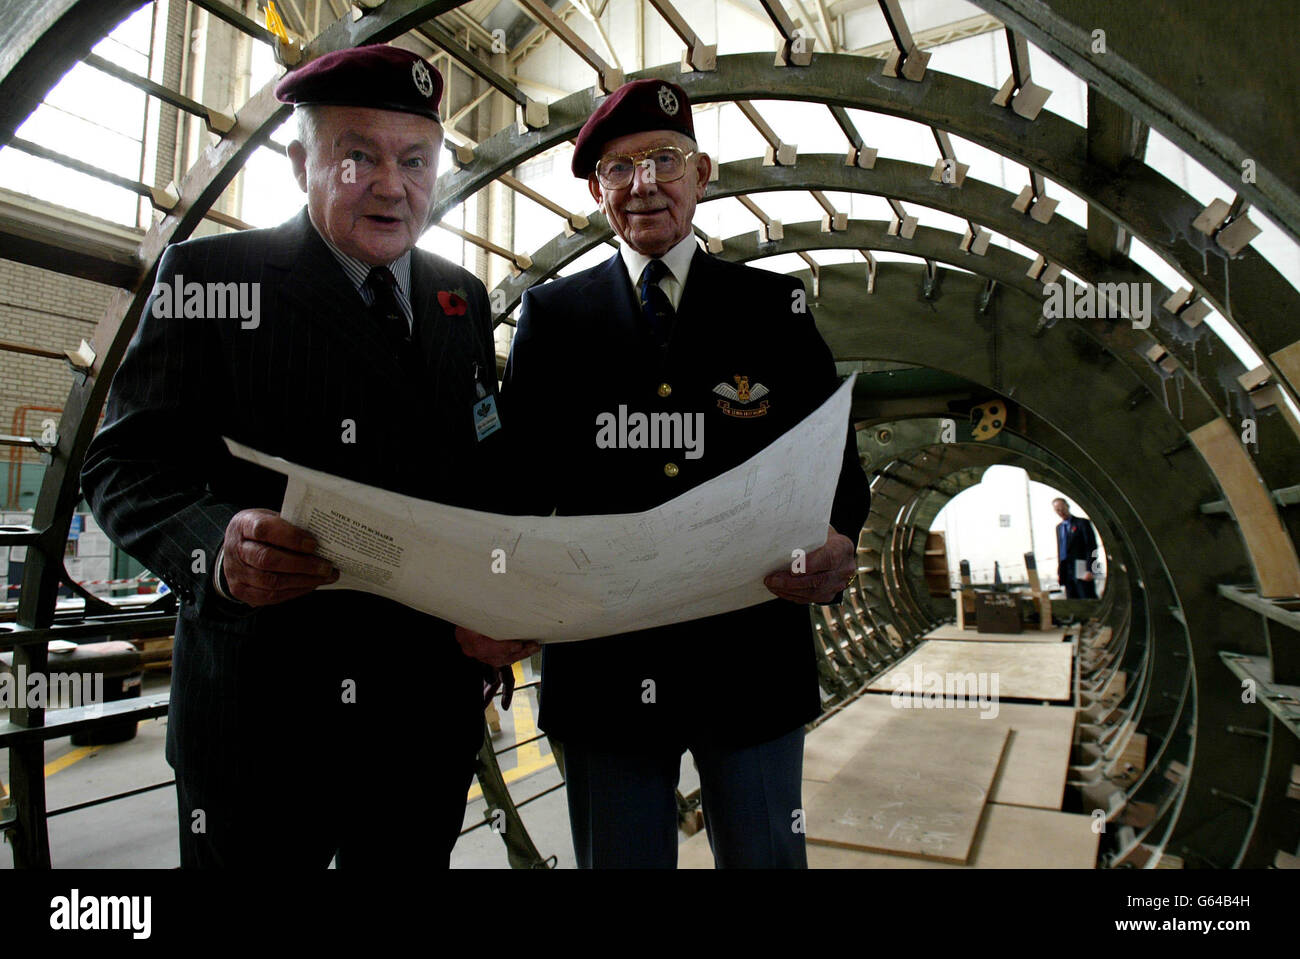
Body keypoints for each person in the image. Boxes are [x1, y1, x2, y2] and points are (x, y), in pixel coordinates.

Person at [81, 44, 536, 868]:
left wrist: (504, 593)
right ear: (301, 162)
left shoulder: (458, 297)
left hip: (421, 724)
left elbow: (484, 475)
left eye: (415, 160)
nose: (391, 185)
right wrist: (218, 549)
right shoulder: (213, 279)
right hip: (261, 724)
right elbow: (123, 466)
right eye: (357, 155)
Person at [493, 79, 869, 868]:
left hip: (752, 655)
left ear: (703, 175)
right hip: (604, 662)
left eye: (665, 160)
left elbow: (835, 455)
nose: (644, 185)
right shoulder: (553, 318)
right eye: (619, 168)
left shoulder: (774, 308)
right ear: (599, 193)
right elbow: (518, 483)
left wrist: (841, 537)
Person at [1053, 496, 1099, 599]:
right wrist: (1060, 572)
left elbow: (1092, 547)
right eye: (1057, 510)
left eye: (1062, 508)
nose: (1061, 512)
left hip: (1081, 565)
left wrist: (1090, 569)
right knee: (1072, 599)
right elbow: (1061, 551)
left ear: (1067, 506)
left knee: (1086, 595)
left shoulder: (1082, 523)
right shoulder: (1059, 528)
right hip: (1066, 568)